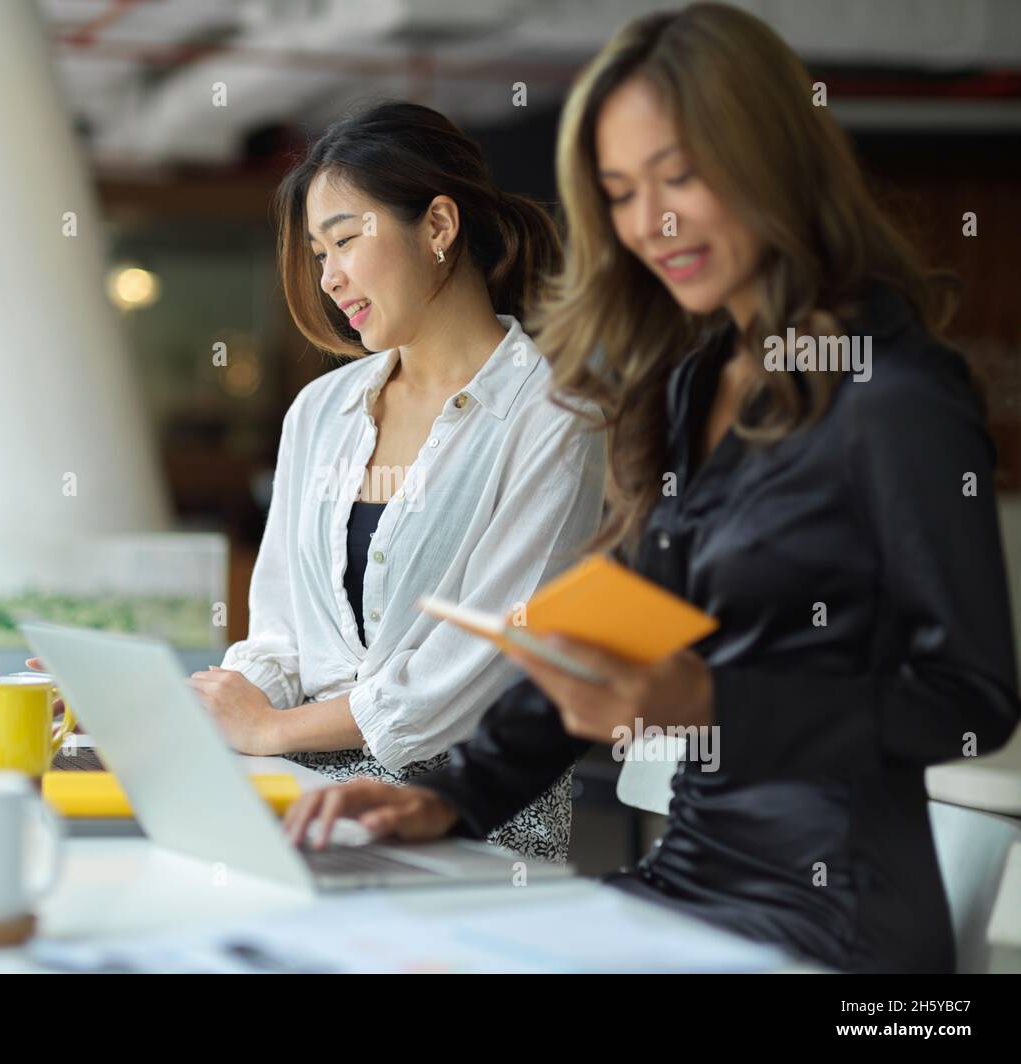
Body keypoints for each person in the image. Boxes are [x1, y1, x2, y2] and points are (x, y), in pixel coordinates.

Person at [282, 4, 1020, 972]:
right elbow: (610, 636)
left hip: (829, 923)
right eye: (623, 191)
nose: (650, 223)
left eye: (679, 176)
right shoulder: (692, 382)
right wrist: (449, 796)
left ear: (771, 157)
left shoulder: (895, 397)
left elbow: (970, 699)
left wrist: (712, 700)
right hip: (685, 880)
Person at [190, 102, 607, 862]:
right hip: (305, 799)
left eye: (346, 239)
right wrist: (207, 707)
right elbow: (281, 638)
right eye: (319, 254)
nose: (331, 277)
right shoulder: (321, 412)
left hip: (467, 815)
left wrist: (270, 729)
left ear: (440, 227)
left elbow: (479, 668)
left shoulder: (553, 417)